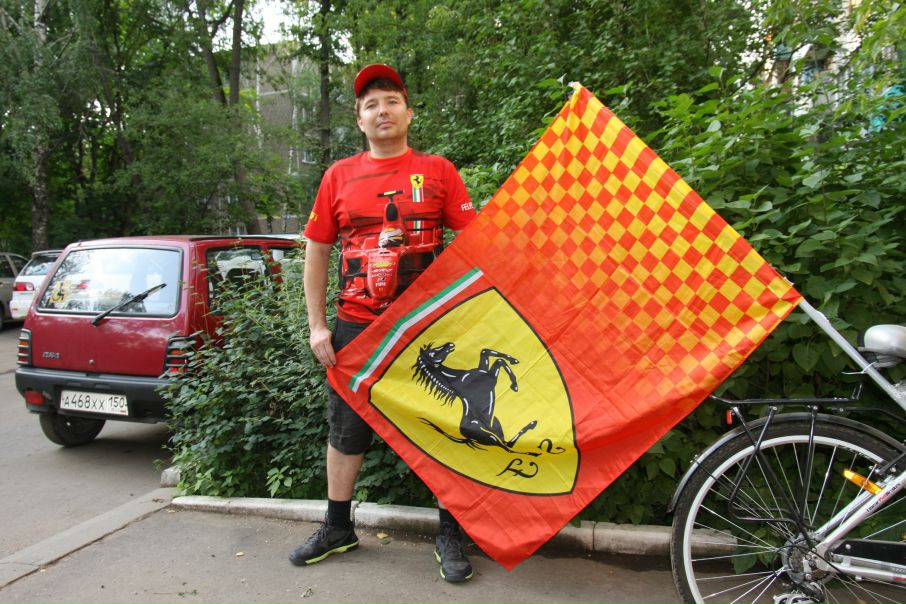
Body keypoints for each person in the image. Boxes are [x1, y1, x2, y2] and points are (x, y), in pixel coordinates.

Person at [290, 64, 477, 583]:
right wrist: (317, 326)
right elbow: (316, 252)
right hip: (356, 325)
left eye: (391, 101)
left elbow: (476, 243)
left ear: (409, 113)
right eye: (371, 105)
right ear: (360, 121)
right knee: (346, 429)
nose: (382, 111)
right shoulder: (338, 176)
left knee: (444, 425)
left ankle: (450, 532)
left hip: (427, 326)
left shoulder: (438, 171)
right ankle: (337, 527)